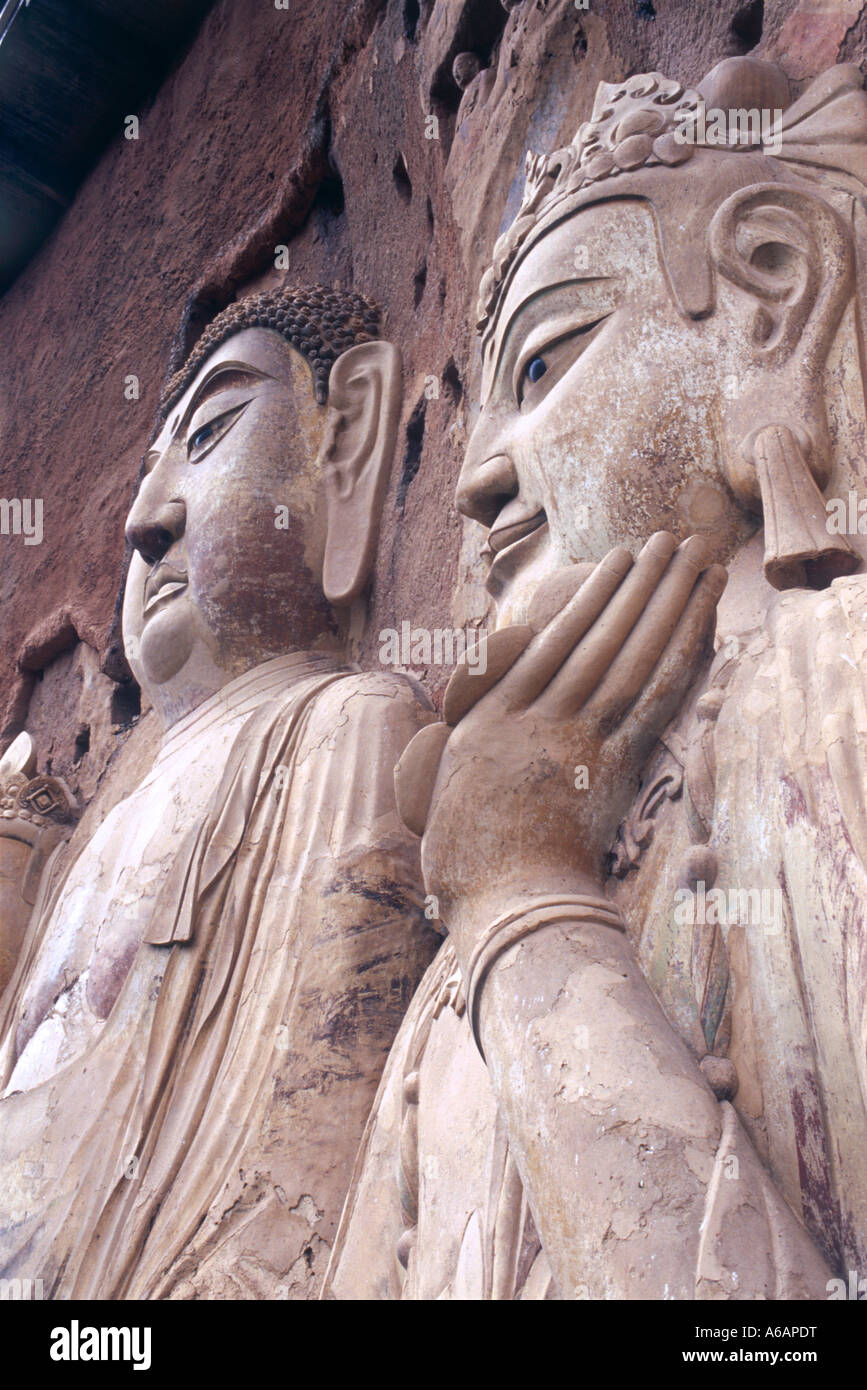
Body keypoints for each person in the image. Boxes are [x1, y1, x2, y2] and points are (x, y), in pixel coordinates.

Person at [325, 59, 867, 1299]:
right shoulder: (446, 971)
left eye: (540, 371)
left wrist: (527, 895)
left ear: (772, 295)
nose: (474, 488)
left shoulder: (838, 690)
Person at [0, 284, 438, 1298]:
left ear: (347, 448)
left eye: (210, 434)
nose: (145, 522)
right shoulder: (99, 828)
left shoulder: (343, 727)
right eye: (150, 470)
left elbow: (310, 1136)